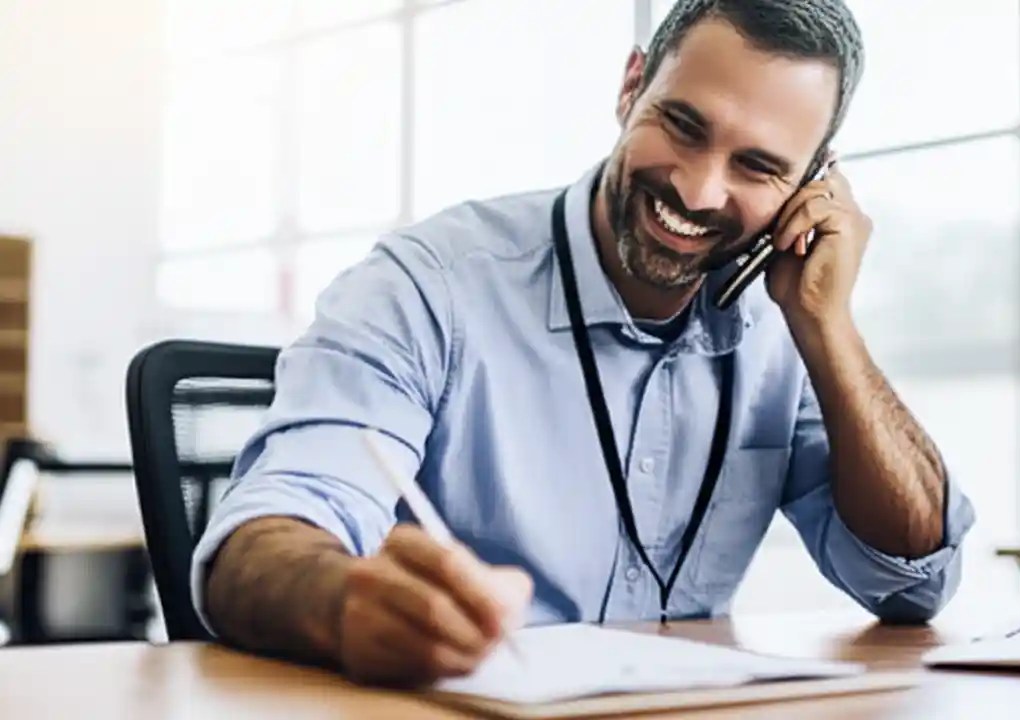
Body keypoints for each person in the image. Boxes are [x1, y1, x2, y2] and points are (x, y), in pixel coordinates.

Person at [195, 0, 975, 687]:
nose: (699, 192)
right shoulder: (429, 285)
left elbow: (911, 584)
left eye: (758, 166)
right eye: (683, 124)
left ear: (815, 182)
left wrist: (828, 328)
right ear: (632, 84)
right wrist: (346, 603)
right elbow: (255, 543)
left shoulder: (784, 326)